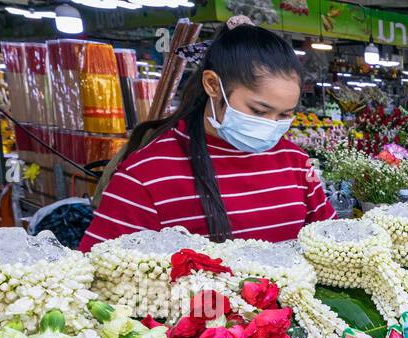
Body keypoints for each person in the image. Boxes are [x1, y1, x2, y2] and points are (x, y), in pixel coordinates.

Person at [80, 22, 332, 250]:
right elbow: (104, 273)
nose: (271, 126)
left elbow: (328, 238)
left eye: (284, 115)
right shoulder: (146, 175)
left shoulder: (294, 160)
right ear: (212, 85)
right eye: (259, 110)